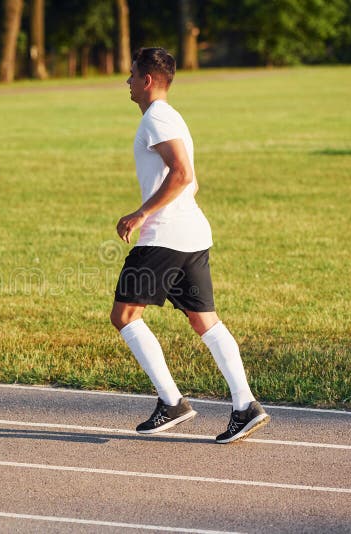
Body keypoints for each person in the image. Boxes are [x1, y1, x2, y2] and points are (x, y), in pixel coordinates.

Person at [111, 47, 269, 444]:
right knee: (205, 321)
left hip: (165, 236)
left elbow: (182, 175)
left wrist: (141, 213)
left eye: (131, 75)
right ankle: (244, 405)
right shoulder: (172, 116)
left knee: (125, 316)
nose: (127, 82)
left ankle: (171, 402)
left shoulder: (156, 118)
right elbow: (191, 180)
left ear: (147, 80)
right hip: (192, 234)